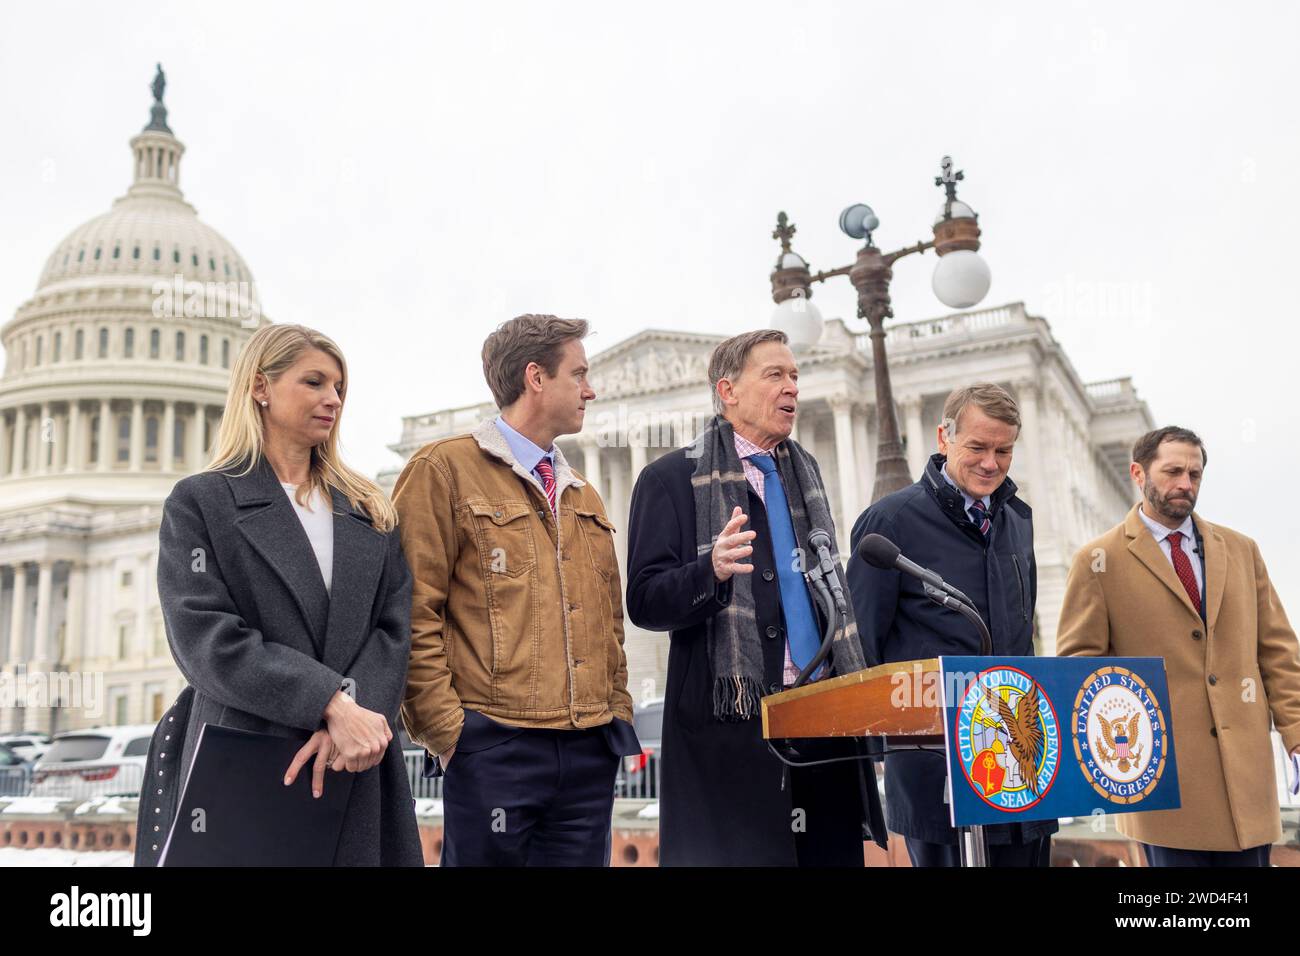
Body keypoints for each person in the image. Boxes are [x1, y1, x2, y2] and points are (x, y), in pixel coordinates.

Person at [135, 324, 423, 866]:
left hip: (356, 762)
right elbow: (206, 639)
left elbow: (394, 628)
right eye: (313, 381)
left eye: (339, 387)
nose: (332, 399)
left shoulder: (370, 509)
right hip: (249, 755)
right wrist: (328, 703)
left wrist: (354, 717)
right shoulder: (201, 503)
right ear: (261, 387)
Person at [625, 329, 881, 866]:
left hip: (823, 726)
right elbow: (645, 601)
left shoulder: (804, 476)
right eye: (774, 375)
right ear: (728, 391)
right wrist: (708, 571)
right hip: (732, 736)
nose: (791, 387)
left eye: (794, 376)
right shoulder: (669, 479)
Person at [392, 314, 639, 866]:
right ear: (535, 377)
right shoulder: (444, 469)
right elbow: (410, 610)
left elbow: (608, 621)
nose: (591, 389)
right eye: (578, 374)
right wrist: (452, 736)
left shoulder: (583, 494)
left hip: (588, 749)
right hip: (492, 747)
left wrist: (616, 712)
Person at [1056, 425, 1300, 866]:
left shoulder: (1243, 550)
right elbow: (1081, 670)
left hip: (1247, 785)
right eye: (1172, 472)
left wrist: (1296, 736)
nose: (1185, 484)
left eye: (1195, 474)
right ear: (1138, 473)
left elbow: (1279, 652)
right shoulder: (1097, 561)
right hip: (1163, 787)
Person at [845, 382, 1057, 867]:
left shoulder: (1018, 521)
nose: (991, 463)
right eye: (977, 447)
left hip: (1025, 762)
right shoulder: (890, 522)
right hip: (935, 765)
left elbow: (1024, 637)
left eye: (1004, 450)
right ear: (944, 438)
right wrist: (885, 749)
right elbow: (861, 647)